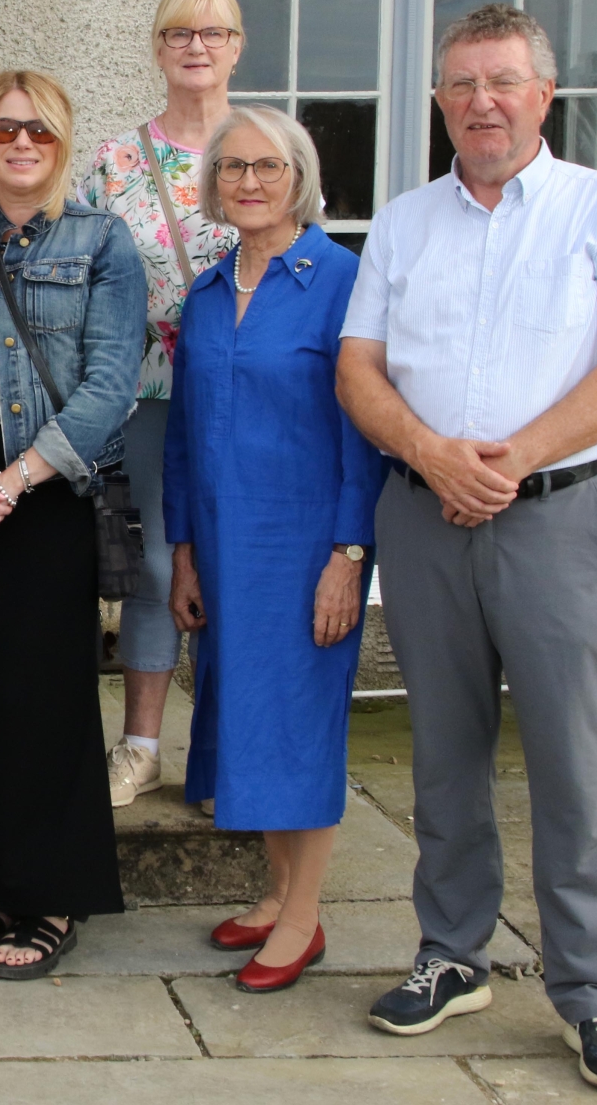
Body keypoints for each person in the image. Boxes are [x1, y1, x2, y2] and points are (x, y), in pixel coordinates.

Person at [339, 4, 597, 1090]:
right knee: (444, 752)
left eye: (503, 82)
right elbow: (359, 372)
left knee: (573, 761)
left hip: (560, 516)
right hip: (424, 516)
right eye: (462, 84)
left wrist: (506, 459)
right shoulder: (404, 221)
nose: (481, 101)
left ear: (543, 95)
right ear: (438, 102)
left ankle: (591, 991)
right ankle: (451, 953)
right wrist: (436, 457)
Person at [0, 70, 143, 978]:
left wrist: (8, 482)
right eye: (4, 129)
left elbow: (109, 385)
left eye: (38, 133)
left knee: (43, 699)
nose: (18, 144)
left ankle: (51, 895)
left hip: (42, 502)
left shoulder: (102, 242)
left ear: (63, 141)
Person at [164, 106, 382, 993]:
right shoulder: (208, 290)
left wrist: (349, 552)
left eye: (268, 167)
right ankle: (277, 889)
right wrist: (182, 552)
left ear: (300, 179)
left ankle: (304, 918)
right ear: (213, 185)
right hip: (221, 543)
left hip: (304, 545)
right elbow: (181, 432)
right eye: (232, 169)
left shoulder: (341, 281)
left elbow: (364, 435)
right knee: (247, 718)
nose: (249, 182)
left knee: (299, 724)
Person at [80, 0, 244, 810]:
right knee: (152, 566)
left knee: (236, 566)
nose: (196, 46)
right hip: (147, 395)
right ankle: (139, 745)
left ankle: (221, 752)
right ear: (158, 48)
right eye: (180, 33)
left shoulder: (265, 148)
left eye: (213, 34)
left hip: (244, 398)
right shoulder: (115, 161)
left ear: (236, 47)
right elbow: (86, 283)